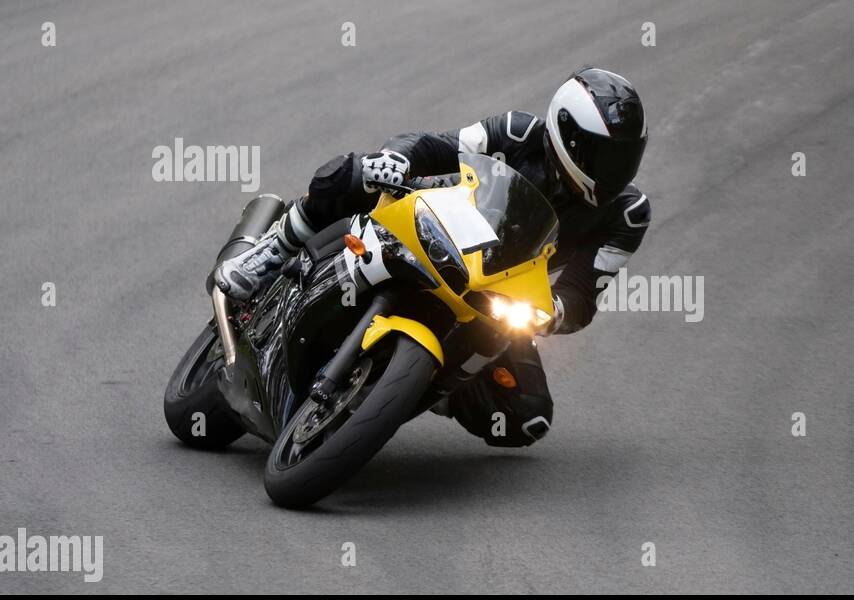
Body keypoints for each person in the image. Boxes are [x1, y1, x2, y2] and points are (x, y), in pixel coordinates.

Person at [215, 67, 651, 447]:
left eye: (625, 157)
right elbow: (434, 146)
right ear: (566, 134)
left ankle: (412, 386)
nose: (614, 170)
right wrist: (394, 159)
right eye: (604, 155)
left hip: (496, 292)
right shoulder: (518, 134)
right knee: (353, 174)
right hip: (441, 224)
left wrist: (552, 313)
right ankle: (272, 251)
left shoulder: (626, 215)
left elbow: (582, 293)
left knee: (526, 417)